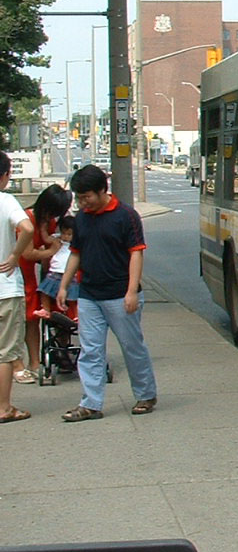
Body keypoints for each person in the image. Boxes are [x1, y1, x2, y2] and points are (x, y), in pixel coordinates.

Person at [57, 165, 157, 422]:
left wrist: (131, 291)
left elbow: (136, 252)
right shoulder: (81, 218)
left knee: (131, 346)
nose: (82, 202)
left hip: (119, 294)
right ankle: (91, 403)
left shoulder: (126, 216)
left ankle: (145, 394)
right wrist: (64, 285)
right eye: (79, 198)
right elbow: (76, 253)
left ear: (103, 190)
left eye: (86, 196)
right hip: (89, 294)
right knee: (90, 350)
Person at [16, 184, 72, 381]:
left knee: (40, 315)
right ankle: (24, 364)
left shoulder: (47, 222)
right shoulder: (27, 220)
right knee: (24, 318)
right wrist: (51, 252)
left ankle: (44, 358)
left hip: (41, 273)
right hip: (19, 272)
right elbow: (28, 253)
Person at [0, 151, 36, 423]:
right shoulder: (6, 201)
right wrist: (14, 256)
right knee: (5, 352)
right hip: (5, 287)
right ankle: (4, 408)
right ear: (5, 175)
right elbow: (27, 228)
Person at [36, 216, 77, 317]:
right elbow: (46, 238)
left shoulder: (77, 242)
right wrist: (43, 228)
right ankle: (45, 309)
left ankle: (76, 315)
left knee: (73, 296)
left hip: (70, 273)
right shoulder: (57, 239)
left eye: (69, 234)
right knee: (44, 291)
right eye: (63, 233)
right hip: (55, 271)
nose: (66, 237)